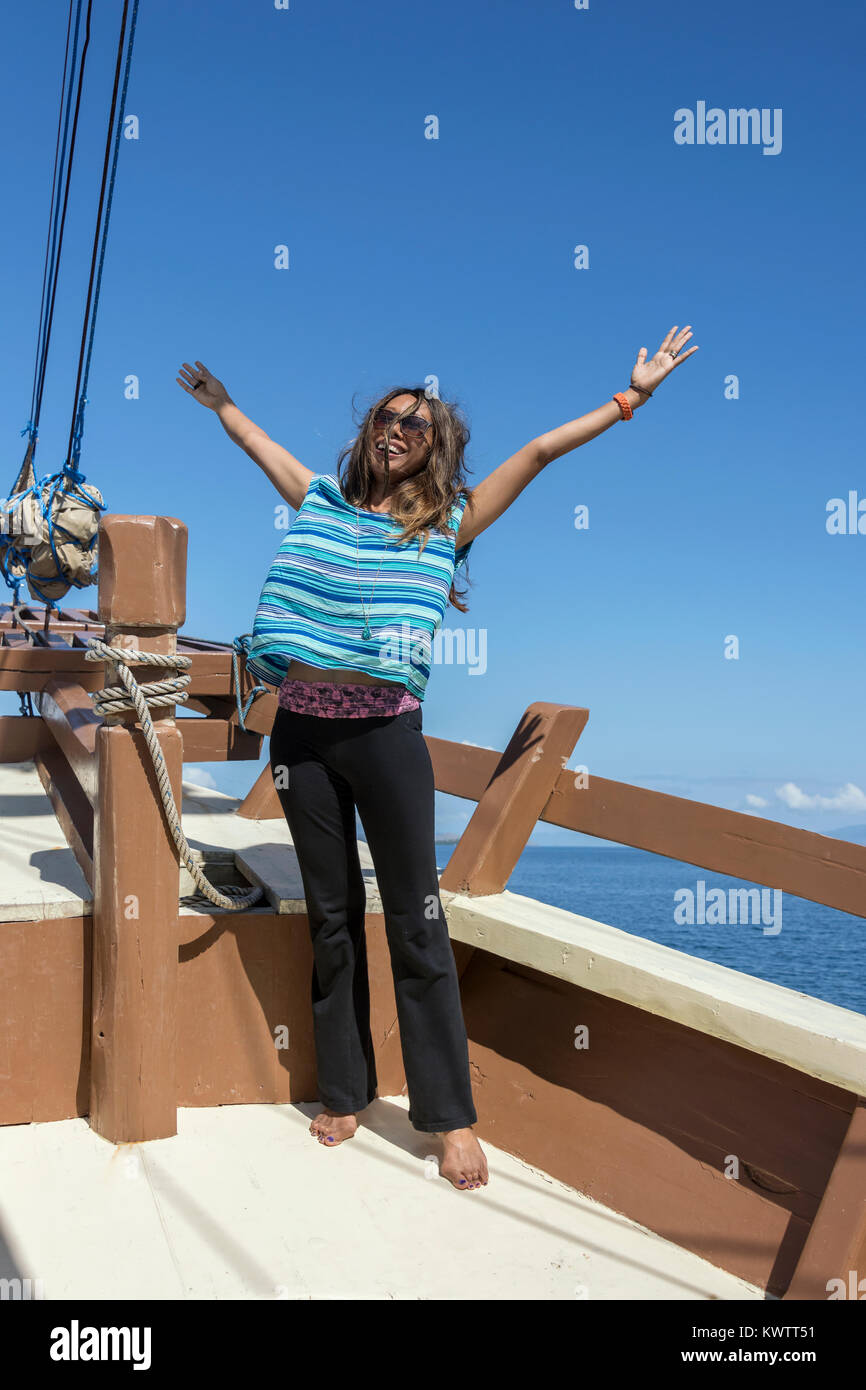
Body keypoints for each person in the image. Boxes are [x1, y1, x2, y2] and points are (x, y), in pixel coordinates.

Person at [176, 326, 698, 1192]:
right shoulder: (321, 504)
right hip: (300, 737)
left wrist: (630, 397)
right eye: (386, 418)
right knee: (333, 916)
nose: (396, 431)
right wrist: (224, 404)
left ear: (435, 448)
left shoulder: (448, 524)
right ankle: (344, 1091)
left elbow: (536, 453)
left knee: (417, 919)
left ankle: (448, 1119)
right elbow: (256, 443)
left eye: (415, 425)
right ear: (367, 433)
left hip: (386, 738)